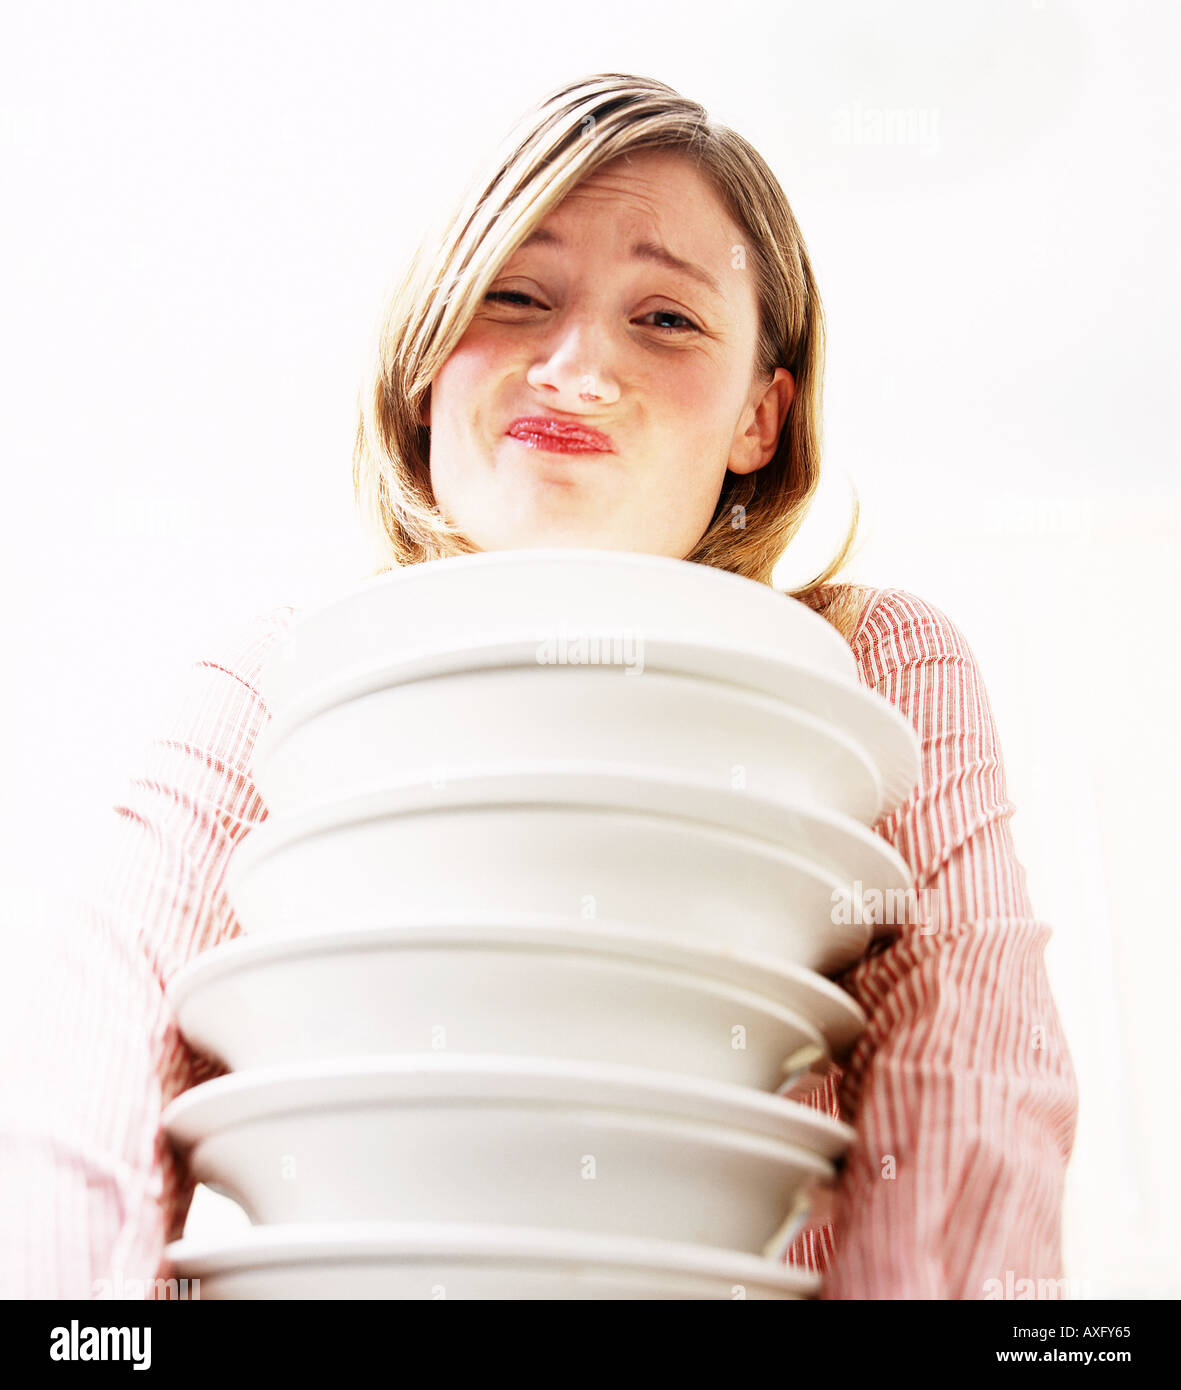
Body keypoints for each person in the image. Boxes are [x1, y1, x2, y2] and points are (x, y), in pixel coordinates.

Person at [1, 72, 1078, 1300]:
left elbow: (970, 1062)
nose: (573, 367)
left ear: (758, 417)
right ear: (426, 365)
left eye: (666, 318)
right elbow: (87, 1080)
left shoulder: (874, 660)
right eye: (513, 297)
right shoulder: (271, 680)